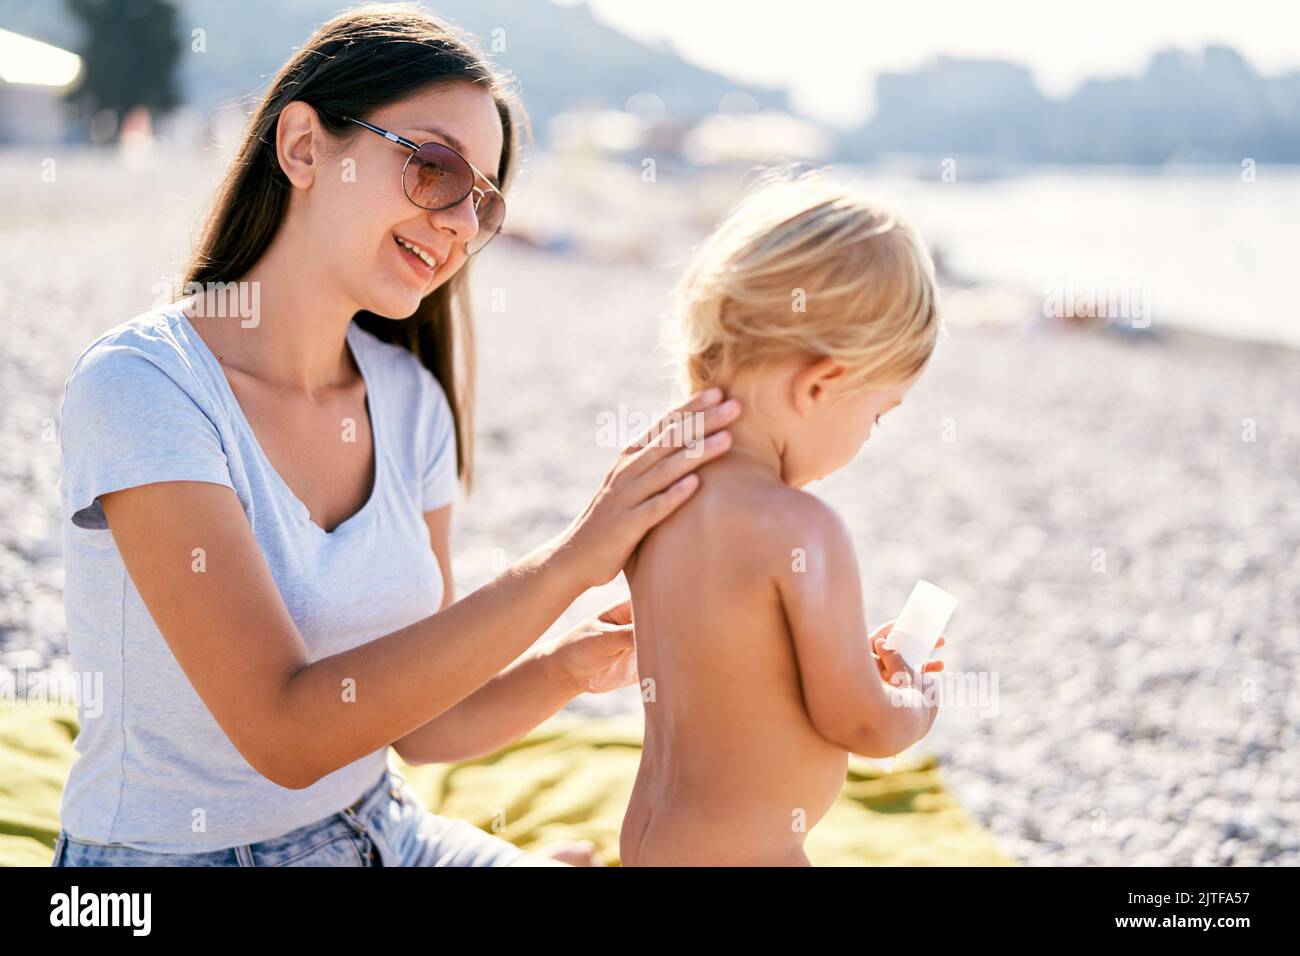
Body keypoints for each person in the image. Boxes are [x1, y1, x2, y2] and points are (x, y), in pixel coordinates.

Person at [51, 4, 740, 868]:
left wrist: (568, 665)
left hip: (386, 830)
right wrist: (570, 561)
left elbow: (420, 725)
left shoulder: (409, 399)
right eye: (433, 168)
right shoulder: (144, 385)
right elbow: (288, 732)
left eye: (482, 202)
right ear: (303, 148)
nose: (459, 221)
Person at [621, 169, 947, 866]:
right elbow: (859, 720)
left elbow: (732, 662)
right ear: (821, 385)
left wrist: (841, 651)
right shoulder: (802, 529)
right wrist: (913, 699)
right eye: (877, 417)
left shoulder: (657, 492)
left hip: (650, 844)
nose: (868, 437)